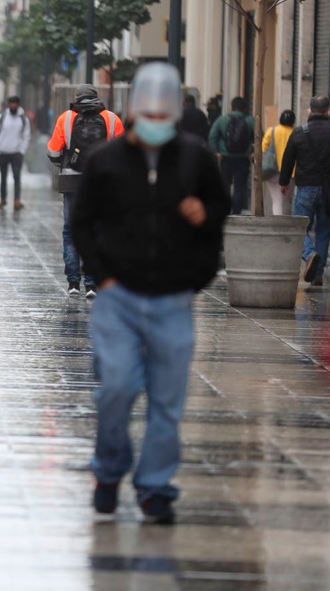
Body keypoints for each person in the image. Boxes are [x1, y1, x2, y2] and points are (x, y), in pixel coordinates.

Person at [72, 62, 230, 525]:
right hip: (118, 298)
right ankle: (109, 470)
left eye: (165, 116)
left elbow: (220, 209)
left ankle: (156, 487)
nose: (157, 124)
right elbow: (81, 223)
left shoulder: (196, 158)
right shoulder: (105, 160)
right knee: (117, 387)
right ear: (133, 111)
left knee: (167, 399)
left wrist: (200, 255)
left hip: (173, 299)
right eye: (149, 115)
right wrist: (102, 276)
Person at [48, 86, 123, 297]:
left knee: (70, 230)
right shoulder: (111, 119)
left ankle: (73, 282)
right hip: (102, 183)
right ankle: (92, 283)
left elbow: (53, 151)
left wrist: (65, 161)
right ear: (97, 98)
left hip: (72, 180)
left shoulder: (66, 118)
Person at [278, 95, 330, 287]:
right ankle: (318, 274)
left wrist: (284, 182)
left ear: (309, 111)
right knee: (324, 230)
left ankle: (309, 254)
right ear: (329, 111)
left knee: (300, 227)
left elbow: (288, 159)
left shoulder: (298, 132)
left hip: (305, 187)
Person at [208, 96, 256, 214]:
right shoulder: (250, 120)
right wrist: (253, 152)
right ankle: (237, 211)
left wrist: (216, 152)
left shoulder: (222, 120)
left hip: (226, 158)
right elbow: (262, 136)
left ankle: (225, 209)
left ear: (231, 107)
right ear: (245, 108)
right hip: (244, 158)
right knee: (240, 186)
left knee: (225, 185)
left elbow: (212, 136)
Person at [0, 96, 30, 210]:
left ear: (18, 105)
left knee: (17, 177)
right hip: (3, 152)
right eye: (11, 103)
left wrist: (22, 150)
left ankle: (17, 200)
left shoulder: (23, 119)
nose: (13, 106)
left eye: (15, 104)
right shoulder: (1, 117)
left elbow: (26, 136)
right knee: (3, 177)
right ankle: (3, 199)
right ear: (8, 105)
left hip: (16, 153)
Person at [261, 110, 296, 216]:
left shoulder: (271, 131)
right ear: (293, 121)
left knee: (276, 200)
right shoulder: (295, 132)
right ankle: (285, 224)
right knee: (286, 200)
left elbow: (263, 148)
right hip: (291, 172)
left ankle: (278, 224)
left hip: (272, 170)